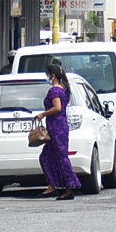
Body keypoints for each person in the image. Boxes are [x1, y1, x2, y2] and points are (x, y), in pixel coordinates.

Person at [35, 58, 80, 201]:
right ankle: (53, 185)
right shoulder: (64, 89)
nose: (46, 77)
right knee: (48, 156)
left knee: (60, 157)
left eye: (47, 75)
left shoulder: (54, 90)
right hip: (61, 125)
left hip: (56, 126)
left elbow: (57, 108)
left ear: (52, 76)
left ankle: (69, 186)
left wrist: (43, 114)